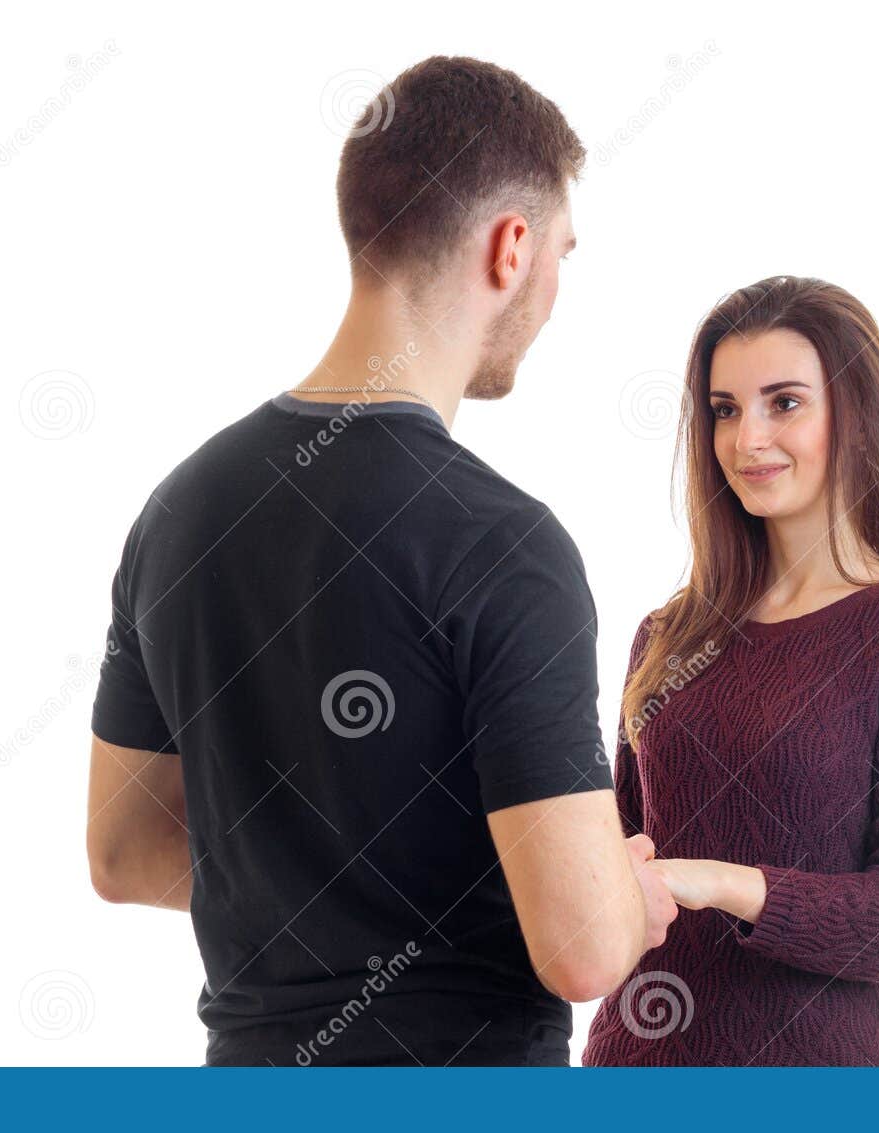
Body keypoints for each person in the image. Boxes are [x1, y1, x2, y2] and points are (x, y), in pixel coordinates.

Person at [85, 56, 675, 1067]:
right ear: (511, 246)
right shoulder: (505, 544)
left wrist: (295, 866)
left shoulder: (179, 512)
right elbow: (581, 947)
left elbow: (123, 851)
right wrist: (620, 892)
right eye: (562, 253)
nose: (555, 288)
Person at [582, 276, 879, 1066]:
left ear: (855, 414)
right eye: (725, 409)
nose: (747, 439)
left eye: (785, 403)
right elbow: (620, 862)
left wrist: (728, 883)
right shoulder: (667, 635)